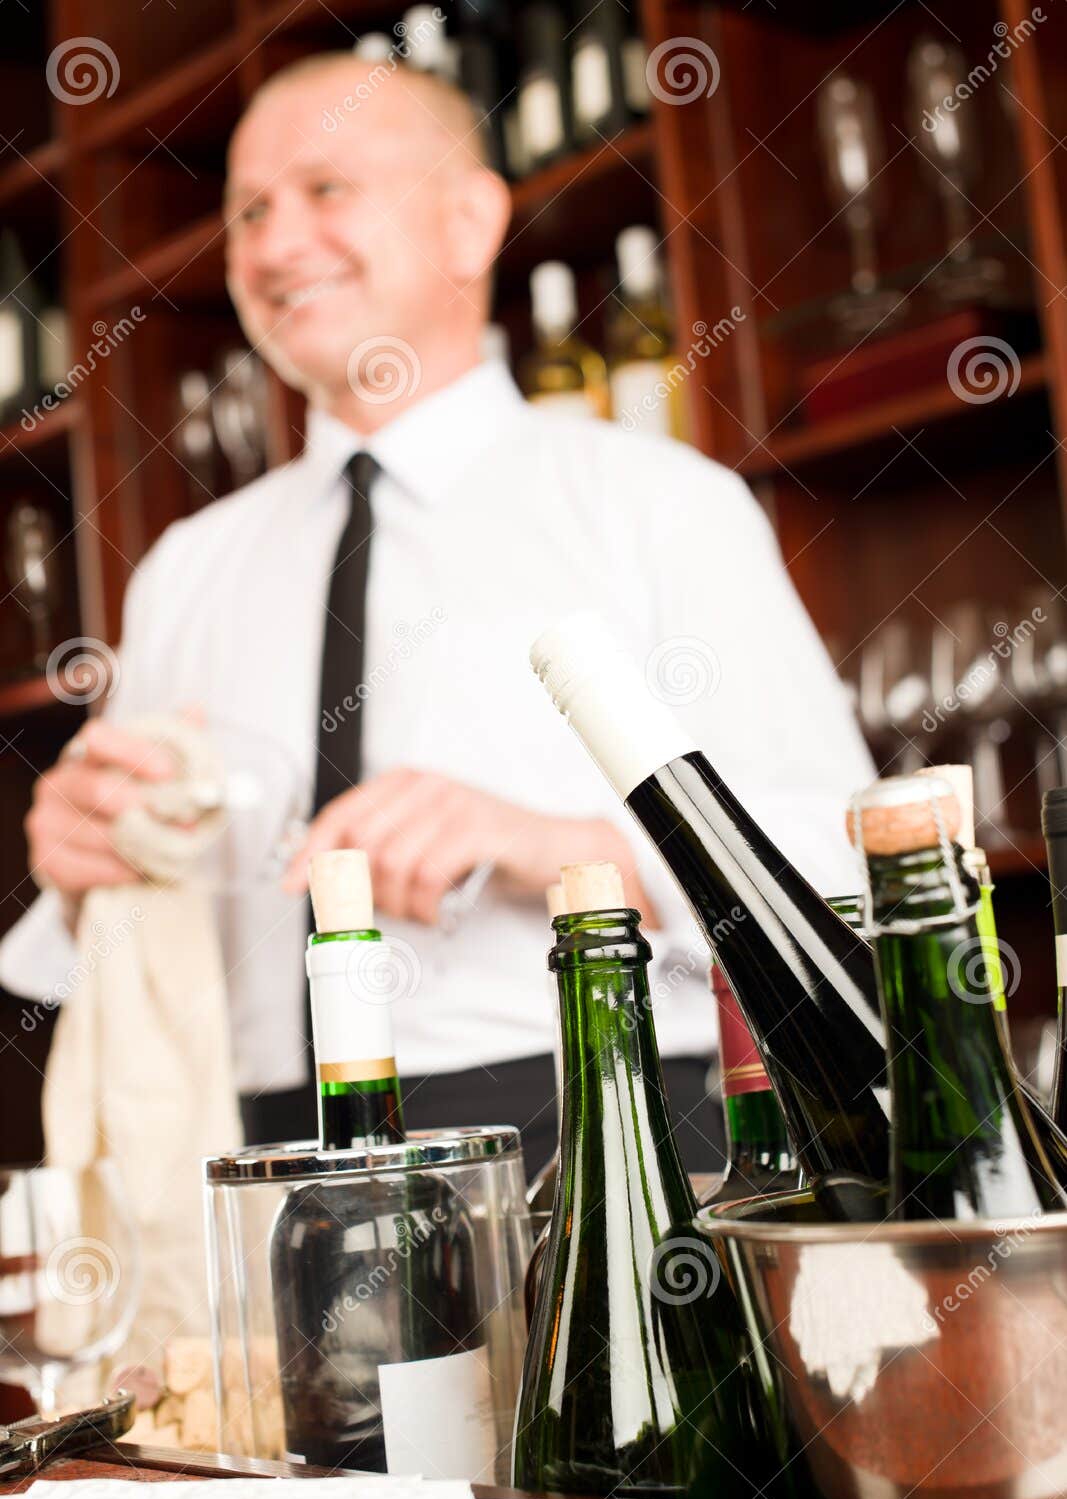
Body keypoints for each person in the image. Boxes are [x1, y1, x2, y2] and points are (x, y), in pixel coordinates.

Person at [0, 58, 873, 1179]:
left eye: (325, 190)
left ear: (467, 224)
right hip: (265, 1164)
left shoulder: (661, 507)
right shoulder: (184, 569)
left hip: (605, 1132)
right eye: (248, 212)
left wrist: (541, 845)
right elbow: (142, 947)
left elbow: (834, 875)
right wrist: (82, 876)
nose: (271, 247)